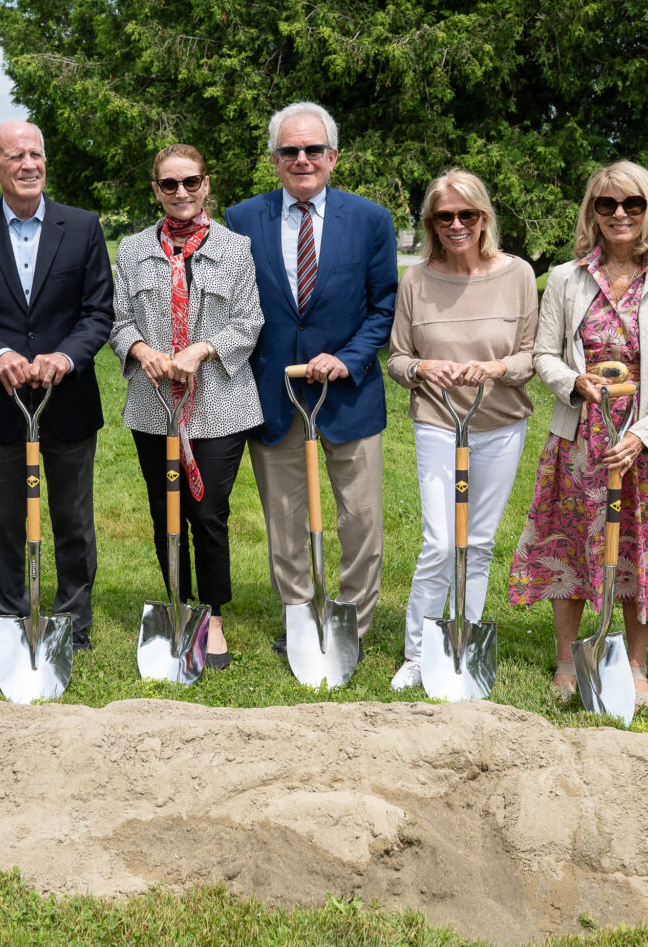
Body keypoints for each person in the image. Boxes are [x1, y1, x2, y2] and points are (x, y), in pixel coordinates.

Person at [508, 161, 648, 708]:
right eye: (607, 204)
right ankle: (569, 659)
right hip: (580, 437)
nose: (620, 214)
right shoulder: (567, 279)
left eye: (632, 204)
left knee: (644, 548)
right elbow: (544, 354)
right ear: (592, 211)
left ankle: (635, 665)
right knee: (567, 545)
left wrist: (644, 434)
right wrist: (574, 382)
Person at [225, 102, 397, 653]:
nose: (302, 159)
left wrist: (350, 357)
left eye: (313, 150)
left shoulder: (370, 220)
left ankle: (352, 623)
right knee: (285, 518)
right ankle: (299, 617)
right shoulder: (241, 219)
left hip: (349, 393)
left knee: (360, 519)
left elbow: (383, 306)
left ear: (333, 157)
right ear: (274, 159)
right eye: (289, 151)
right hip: (274, 392)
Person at [0, 120, 113, 656]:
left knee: (73, 517)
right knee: (6, 518)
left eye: (36, 154)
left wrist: (66, 355)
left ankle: (73, 619)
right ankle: (10, 615)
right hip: (1, 400)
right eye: (16, 157)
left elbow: (98, 311)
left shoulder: (82, 227)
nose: (29, 165)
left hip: (69, 400)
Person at [109, 143, 265, 669]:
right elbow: (116, 320)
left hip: (219, 403)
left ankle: (213, 614)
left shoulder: (235, 247)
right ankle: (177, 601)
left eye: (191, 182)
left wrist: (200, 350)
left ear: (206, 184)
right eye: (169, 184)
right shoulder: (131, 251)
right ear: (156, 189)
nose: (181, 193)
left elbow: (248, 321)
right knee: (165, 510)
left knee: (206, 511)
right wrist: (142, 350)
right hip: (154, 406)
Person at [385, 169, 537, 691]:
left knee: (478, 541)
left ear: (483, 218)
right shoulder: (416, 279)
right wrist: (424, 370)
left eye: (466, 214)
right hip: (438, 421)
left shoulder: (516, 274)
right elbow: (398, 358)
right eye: (444, 215)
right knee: (439, 542)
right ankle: (416, 653)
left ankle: (463, 645)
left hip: (499, 423)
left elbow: (531, 355)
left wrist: (496, 369)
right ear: (430, 221)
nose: (455, 224)